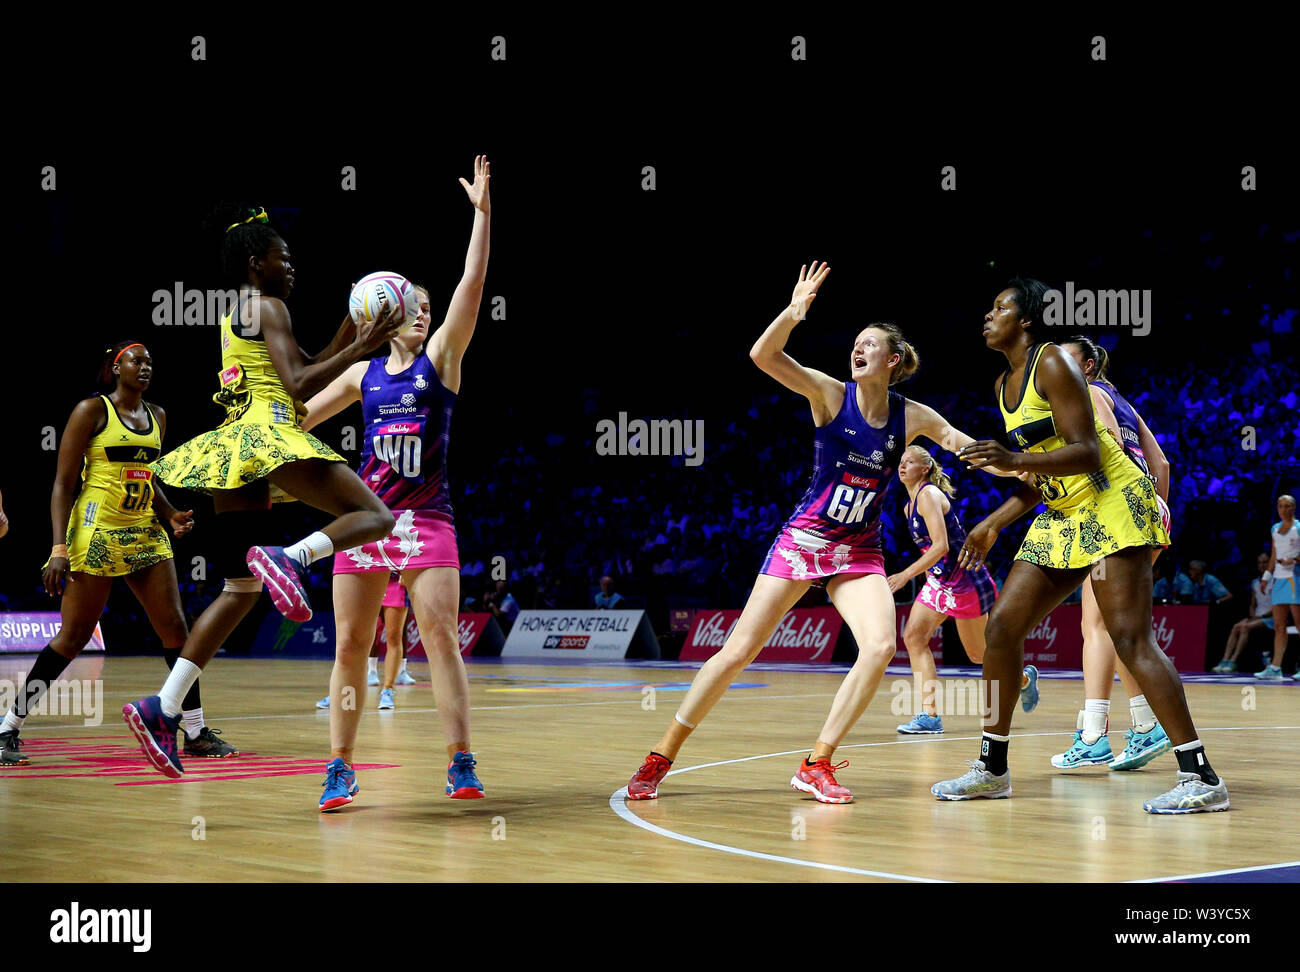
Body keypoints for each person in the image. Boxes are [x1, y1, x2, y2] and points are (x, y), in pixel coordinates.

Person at [625, 262, 1019, 804]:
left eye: (869, 344)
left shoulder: (913, 417)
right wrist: (793, 311)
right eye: (855, 344)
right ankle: (661, 754)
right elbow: (763, 357)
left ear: (893, 360)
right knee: (739, 649)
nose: (857, 350)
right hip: (803, 541)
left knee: (880, 646)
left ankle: (817, 762)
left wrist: (1020, 467)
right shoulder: (830, 395)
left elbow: (961, 443)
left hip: (858, 552)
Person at [121, 203, 405, 779]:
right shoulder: (268, 304)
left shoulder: (240, 311)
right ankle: (292, 556)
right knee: (375, 514)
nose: (292, 267)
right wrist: (368, 344)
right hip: (266, 435)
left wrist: (351, 333)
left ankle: (163, 706)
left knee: (239, 589)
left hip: (234, 442)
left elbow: (306, 367)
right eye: (285, 258)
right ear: (258, 263)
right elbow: (300, 385)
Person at [935, 278, 1227, 813]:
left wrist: (1012, 458)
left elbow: (1088, 453)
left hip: (1112, 500)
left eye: (1000, 307)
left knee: (1130, 639)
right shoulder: (1004, 384)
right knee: (1002, 628)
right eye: (989, 307)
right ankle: (992, 768)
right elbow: (1038, 476)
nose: (988, 315)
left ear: (1025, 320)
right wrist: (994, 522)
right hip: (1066, 510)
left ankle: (1201, 775)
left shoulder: (1052, 363)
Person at [301, 157, 490, 810]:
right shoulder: (363, 377)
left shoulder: (441, 360)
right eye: (412, 307)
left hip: (428, 523)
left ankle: (460, 761)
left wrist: (482, 216)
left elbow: (471, 283)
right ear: (387, 313)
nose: (422, 314)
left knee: (439, 635)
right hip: (368, 521)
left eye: (427, 308)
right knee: (352, 644)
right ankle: (339, 767)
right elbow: (300, 417)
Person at [1, 342, 236, 768]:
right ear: (116, 367)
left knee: (177, 633)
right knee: (72, 639)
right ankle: (8, 726)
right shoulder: (90, 412)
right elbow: (62, 485)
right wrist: (58, 548)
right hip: (96, 532)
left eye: (150, 363)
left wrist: (169, 514)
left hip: (144, 532)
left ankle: (196, 731)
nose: (145, 368)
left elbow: (148, 477)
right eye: (137, 361)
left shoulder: (158, 416)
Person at [1047, 336, 1174, 772]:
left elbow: (1107, 455)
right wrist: (1155, 510)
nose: (1054, 364)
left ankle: (1096, 734)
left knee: (1097, 624)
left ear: (1085, 366)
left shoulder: (1089, 394)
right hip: (1148, 510)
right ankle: (1136, 726)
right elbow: (1162, 466)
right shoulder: (1123, 401)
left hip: (1113, 513)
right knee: (1115, 623)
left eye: (1064, 357)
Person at [890, 445, 1039, 735]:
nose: (902, 466)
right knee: (913, 637)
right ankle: (929, 715)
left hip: (964, 582)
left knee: (978, 655)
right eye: (901, 461)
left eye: (910, 462)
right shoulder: (908, 505)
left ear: (925, 468)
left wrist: (906, 574)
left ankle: (1022, 678)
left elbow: (941, 546)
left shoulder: (929, 495)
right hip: (940, 581)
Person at [314, 574, 416, 711]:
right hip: (369, 576)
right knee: (355, 638)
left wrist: (407, 570)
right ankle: (342, 693)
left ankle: (388, 691)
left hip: (395, 580)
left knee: (394, 637)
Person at [1258, 494, 1299, 680]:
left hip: (1294, 579)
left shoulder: (1298, 528)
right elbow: (1274, 555)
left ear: (1294, 508)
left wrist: (1294, 559)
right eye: (1281, 506)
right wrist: (1266, 576)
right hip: (1279, 580)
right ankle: (1275, 668)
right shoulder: (1275, 528)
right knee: (1279, 625)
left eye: (1288, 506)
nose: (1284, 509)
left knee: (1299, 624)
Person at [1213, 553, 1273, 672]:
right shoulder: (1255, 583)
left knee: (1245, 627)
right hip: (1257, 617)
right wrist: (1252, 615)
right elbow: (1252, 604)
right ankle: (1224, 660)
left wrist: (1261, 616)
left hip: (1271, 618)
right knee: (1236, 627)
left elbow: (1277, 606)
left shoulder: (1275, 582)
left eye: (1265, 562)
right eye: (1259, 562)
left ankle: (1233, 661)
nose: (1262, 565)